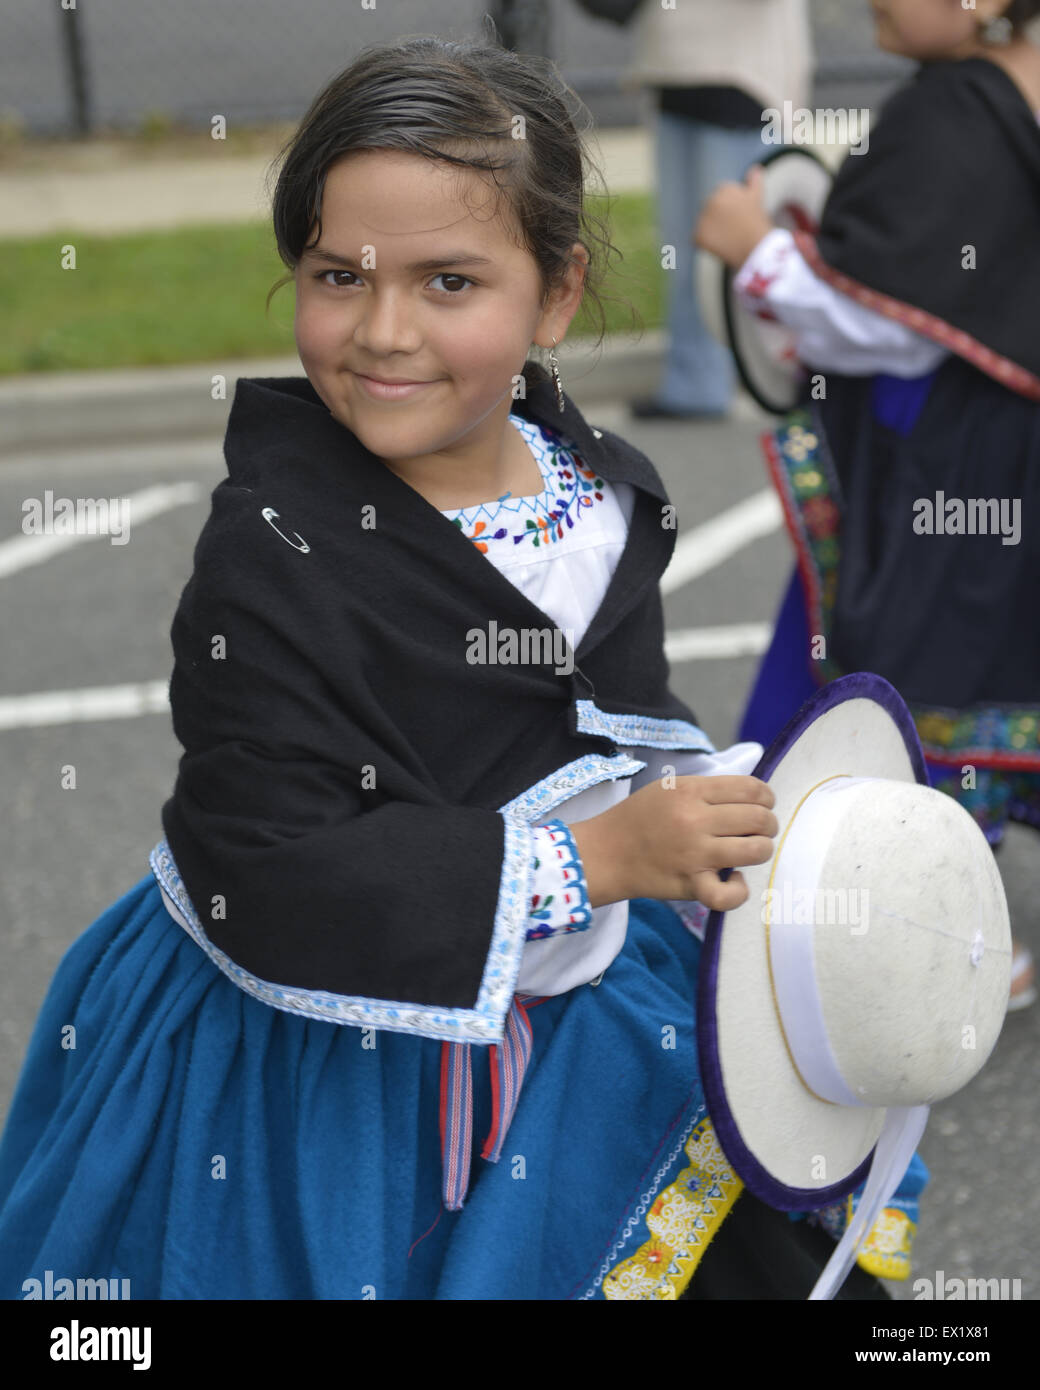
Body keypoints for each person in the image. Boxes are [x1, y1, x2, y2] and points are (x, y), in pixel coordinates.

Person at [0, 27, 904, 1301]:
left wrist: (711, 818)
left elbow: (617, 712)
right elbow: (260, 853)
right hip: (325, 1063)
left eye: (447, 283)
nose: (380, 333)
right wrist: (597, 859)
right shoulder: (268, 555)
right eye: (335, 274)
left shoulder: (599, 491)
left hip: (580, 999)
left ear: (556, 294)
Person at [695, 0, 1040, 1010]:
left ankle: (944, 947)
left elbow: (879, 325)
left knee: (907, 684)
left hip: (949, 468)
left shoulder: (948, 113)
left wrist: (752, 246)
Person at [621, 0, 813, 417]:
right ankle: (696, 384)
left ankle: (787, 373)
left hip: (743, 91)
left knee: (739, 252)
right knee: (684, 253)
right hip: (676, 83)